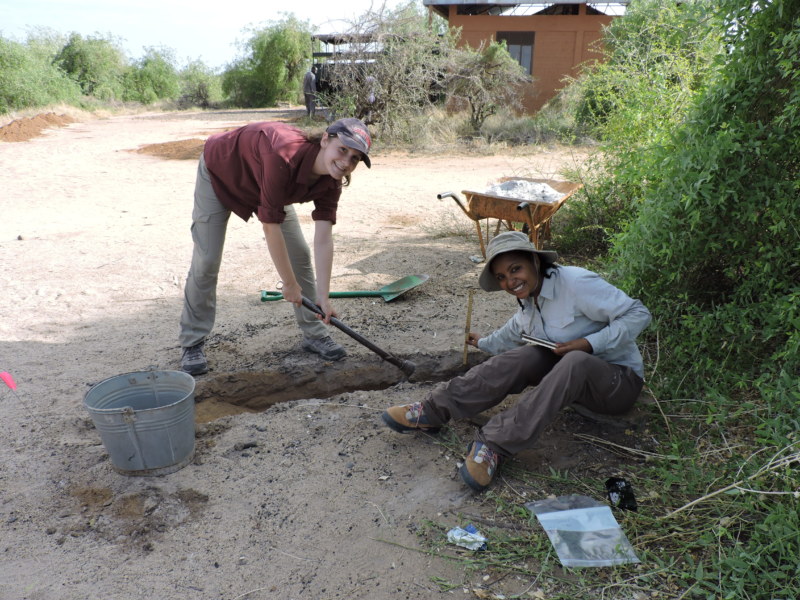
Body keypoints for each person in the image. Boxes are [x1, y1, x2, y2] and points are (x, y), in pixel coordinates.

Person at [382, 231, 651, 492]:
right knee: (530, 354)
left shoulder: (576, 283)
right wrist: (482, 342)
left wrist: (590, 343)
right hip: (574, 384)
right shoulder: (529, 301)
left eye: (515, 269)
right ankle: (433, 410)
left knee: (576, 360)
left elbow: (638, 313)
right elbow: (511, 333)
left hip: (618, 384)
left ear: (535, 261)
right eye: (501, 277)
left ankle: (494, 446)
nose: (510, 282)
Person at [179, 118, 373, 375]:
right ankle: (192, 342)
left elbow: (323, 238)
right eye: (343, 149)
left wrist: (323, 298)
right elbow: (270, 227)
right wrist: (289, 284)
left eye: (356, 158)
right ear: (325, 140)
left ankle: (314, 333)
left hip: (265, 184)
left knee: (300, 254)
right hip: (221, 173)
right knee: (207, 260)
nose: (346, 162)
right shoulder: (282, 154)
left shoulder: (332, 180)